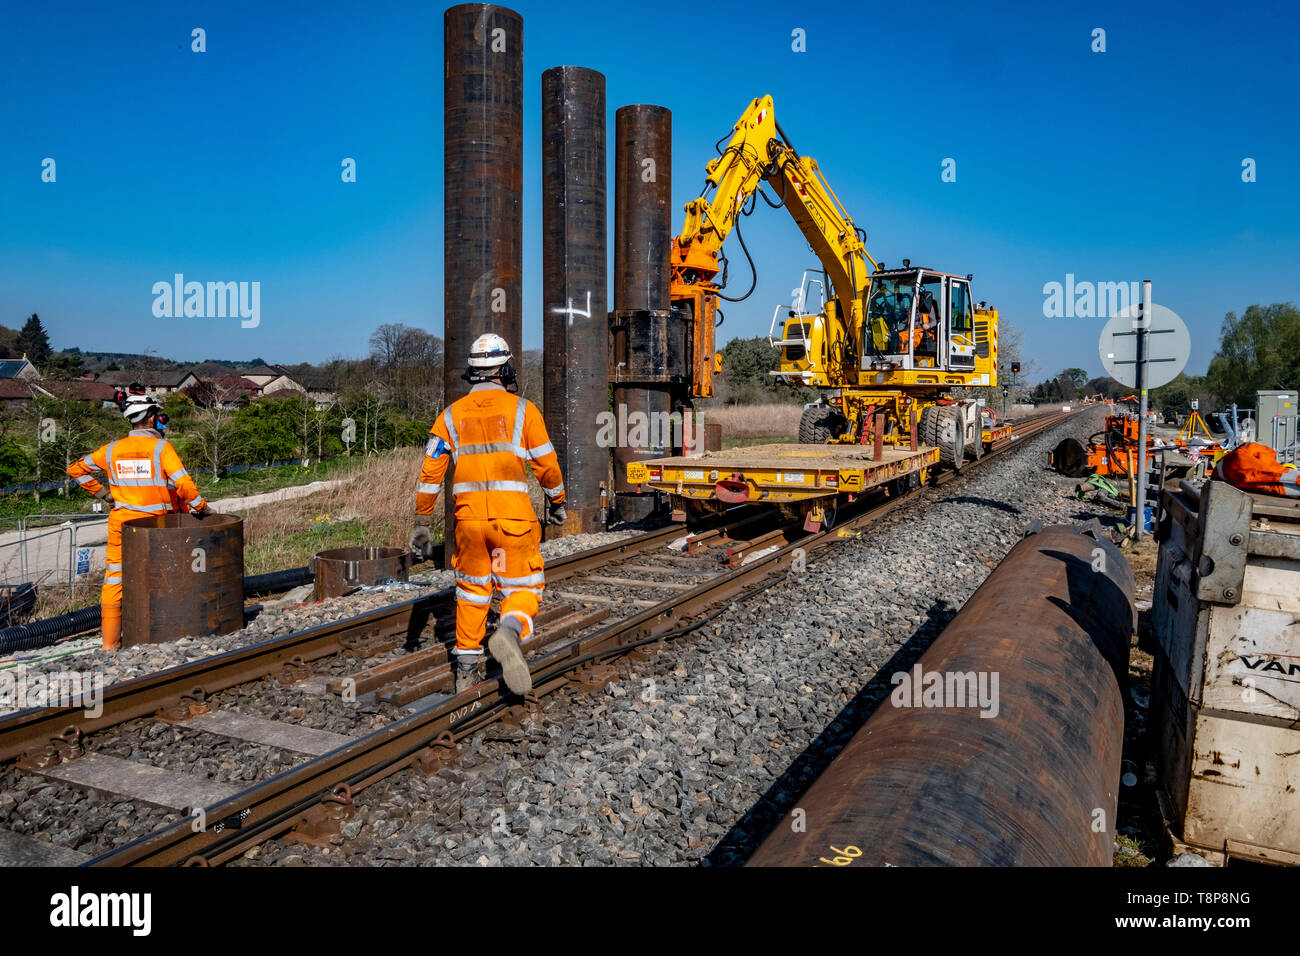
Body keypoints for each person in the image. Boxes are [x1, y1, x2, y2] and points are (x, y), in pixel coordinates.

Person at [410, 333, 566, 695]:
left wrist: (421, 522)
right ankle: (509, 633)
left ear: (472, 373)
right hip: (512, 521)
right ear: (506, 368)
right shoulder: (524, 411)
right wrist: (557, 502)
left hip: (468, 524)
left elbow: (430, 473)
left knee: (471, 593)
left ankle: (466, 672)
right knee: (524, 588)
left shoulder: (449, 417)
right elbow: (548, 466)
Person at [66, 385, 209, 650]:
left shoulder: (111, 450)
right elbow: (184, 485)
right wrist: (201, 506)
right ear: (152, 417)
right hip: (157, 526)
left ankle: (110, 643)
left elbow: (75, 469)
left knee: (115, 578)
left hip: (122, 523)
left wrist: (104, 495)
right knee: (165, 574)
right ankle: (164, 630)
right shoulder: (161, 448)